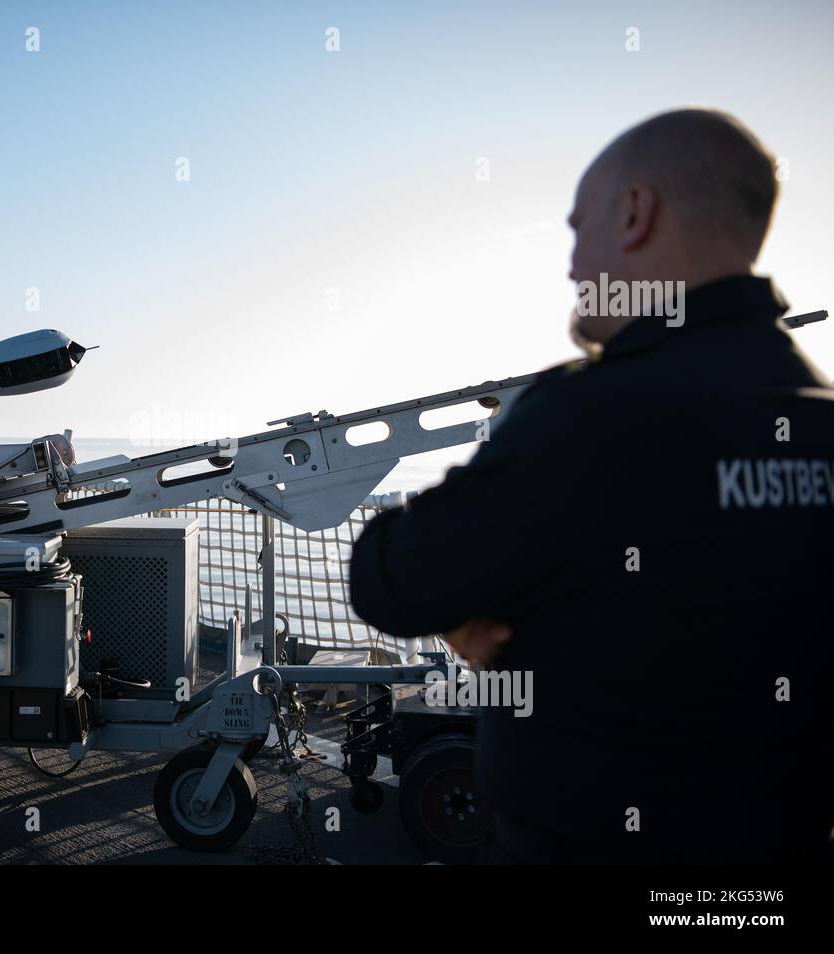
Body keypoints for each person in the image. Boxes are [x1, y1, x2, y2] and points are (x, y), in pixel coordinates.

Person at [349, 108, 834, 863]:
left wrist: (492, 608)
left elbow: (387, 581)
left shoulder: (586, 415)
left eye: (580, 228)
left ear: (636, 212)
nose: (574, 266)